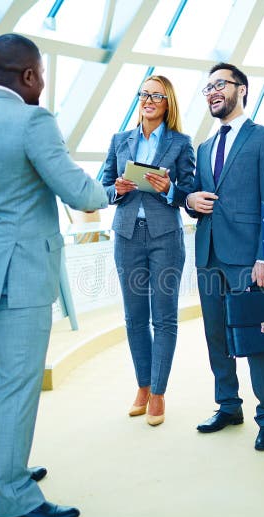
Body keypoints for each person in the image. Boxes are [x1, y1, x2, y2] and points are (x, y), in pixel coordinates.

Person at [0, 33, 108, 517]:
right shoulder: (34, 121)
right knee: (17, 384)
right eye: (42, 75)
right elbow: (80, 194)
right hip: (21, 274)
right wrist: (111, 189)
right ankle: (13, 497)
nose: (43, 84)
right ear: (29, 75)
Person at [186, 63, 264, 451]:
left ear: (242, 89)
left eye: (219, 84)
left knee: (256, 337)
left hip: (248, 258)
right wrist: (190, 200)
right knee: (216, 336)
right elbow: (194, 197)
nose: (212, 92)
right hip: (208, 253)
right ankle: (228, 405)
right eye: (207, 86)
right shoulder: (204, 147)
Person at [101, 74, 196, 426]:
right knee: (134, 317)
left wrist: (169, 188)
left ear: (167, 103)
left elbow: (186, 194)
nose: (149, 100)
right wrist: (118, 189)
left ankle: (158, 392)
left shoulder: (181, 143)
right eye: (144, 94)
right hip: (127, 234)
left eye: (157, 95)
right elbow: (103, 185)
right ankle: (142, 386)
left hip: (165, 237)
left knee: (165, 317)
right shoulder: (119, 140)